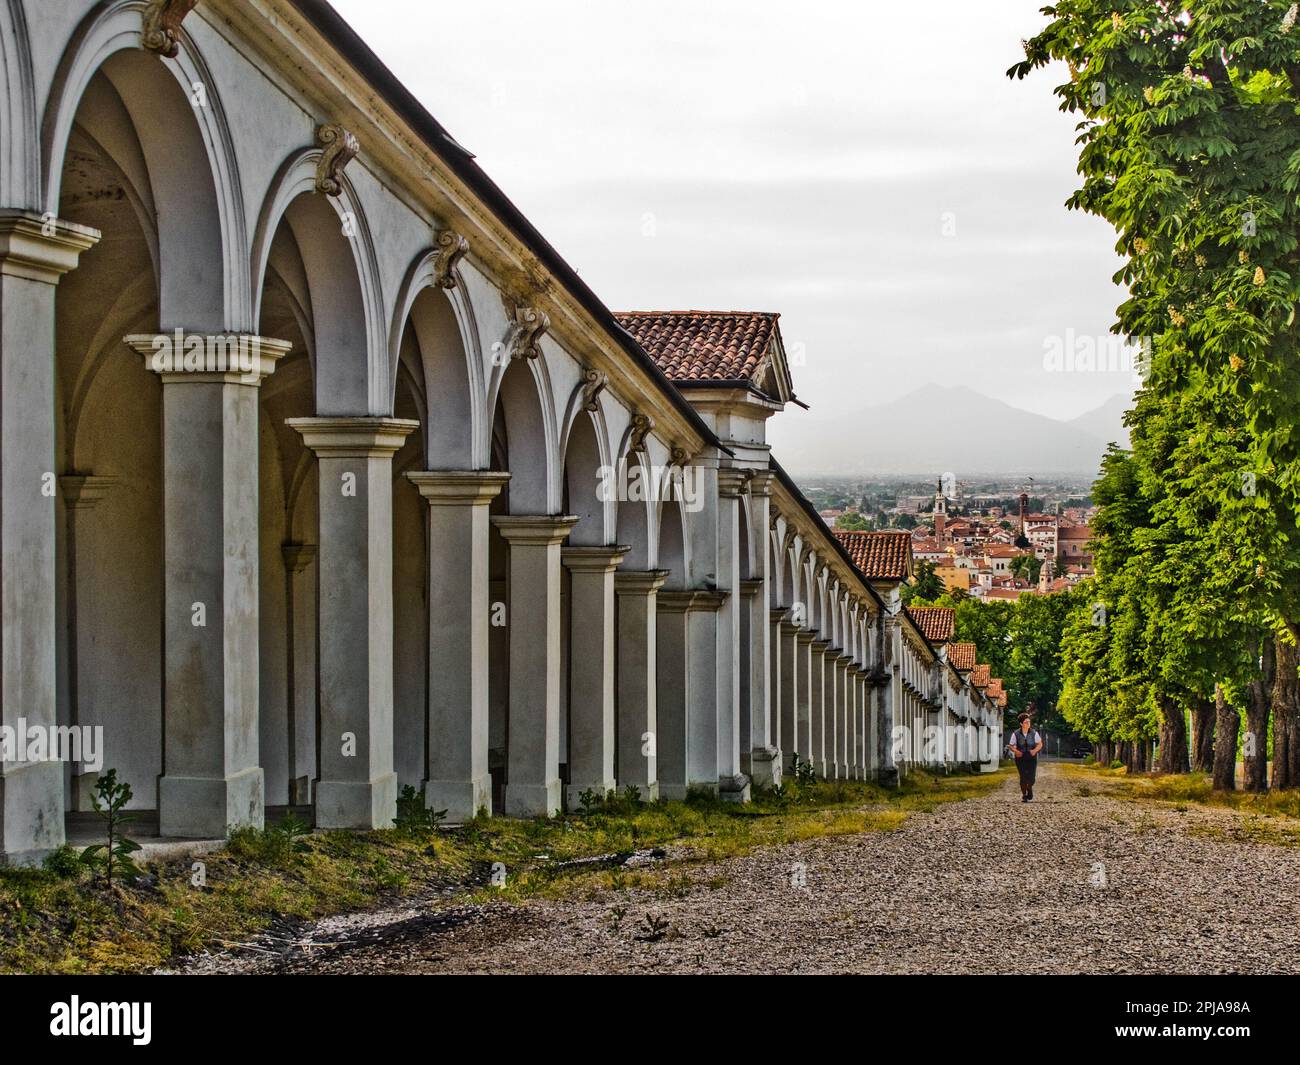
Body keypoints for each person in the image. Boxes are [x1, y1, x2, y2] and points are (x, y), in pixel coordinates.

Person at [1008, 712, 1043, 802]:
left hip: (1031, 757)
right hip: (1020, 757)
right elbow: (1011, 745)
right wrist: (1016, 751)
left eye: (1029, 721)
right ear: (1021, 724)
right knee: (1023, 777)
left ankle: (1029, 788)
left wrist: (1034, 750)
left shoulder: (1034, 733)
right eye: (1026, 722)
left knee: (1031, 777)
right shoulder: (1015, 734)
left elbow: (1040, 744)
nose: (1028, 723)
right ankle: (1024, 795)